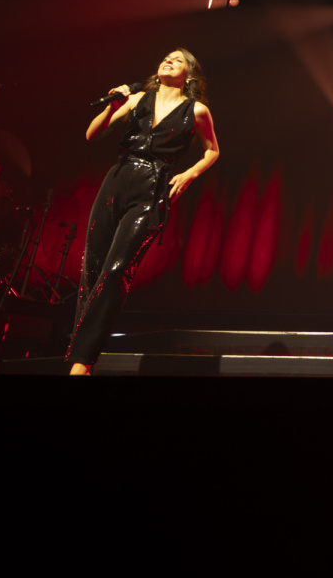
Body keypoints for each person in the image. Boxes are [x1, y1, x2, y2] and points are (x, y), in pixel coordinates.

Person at [68, 49, 220, 375]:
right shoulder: (137, 99)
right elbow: (91, 134)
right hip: (117, 179)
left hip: (152, 187)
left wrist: (189, 173)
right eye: (166, 57)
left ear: (189, 75)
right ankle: (82, 355)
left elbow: (212, 150)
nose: (169, 61)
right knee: (92, 267)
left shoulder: (196, 110)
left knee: (115, 271)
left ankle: (82, 362)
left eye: (177, 60)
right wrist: (113, 106)